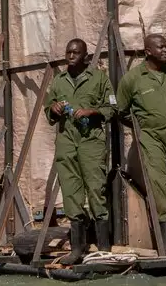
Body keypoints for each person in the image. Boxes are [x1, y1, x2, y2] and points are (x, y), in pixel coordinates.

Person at [117, 32, 166, 255]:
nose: (165, 50)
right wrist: (142, 125)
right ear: (148, 51)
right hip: (150, 136)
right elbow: (120, 111)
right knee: (159, 182)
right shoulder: (132, 79)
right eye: (160, 47)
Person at [47, 37, 115, 265]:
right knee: (71, 192)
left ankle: (104, 246)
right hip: (67, 143)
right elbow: (49, 110)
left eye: (75, 53)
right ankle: (77, 248)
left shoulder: (100, 79)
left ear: (85, 57)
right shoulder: (58, 82)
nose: (70, 56)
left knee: (96, 189)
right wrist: (54, 109)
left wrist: (91, 112)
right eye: (68, 52)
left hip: (91, 143)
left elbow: (113, 107)